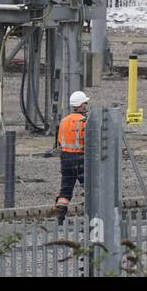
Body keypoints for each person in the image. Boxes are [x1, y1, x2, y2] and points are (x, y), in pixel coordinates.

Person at [55, 90, 89, 221]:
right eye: (85, 103)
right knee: (88, 187)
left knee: (66, 187)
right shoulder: (84, 122)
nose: (86, 106)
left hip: (65, 158)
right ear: (81, 105)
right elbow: (87, 142)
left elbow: (59, 141)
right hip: (80, 159)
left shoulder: (63, 121)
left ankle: (60, 214)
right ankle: (90, 215)